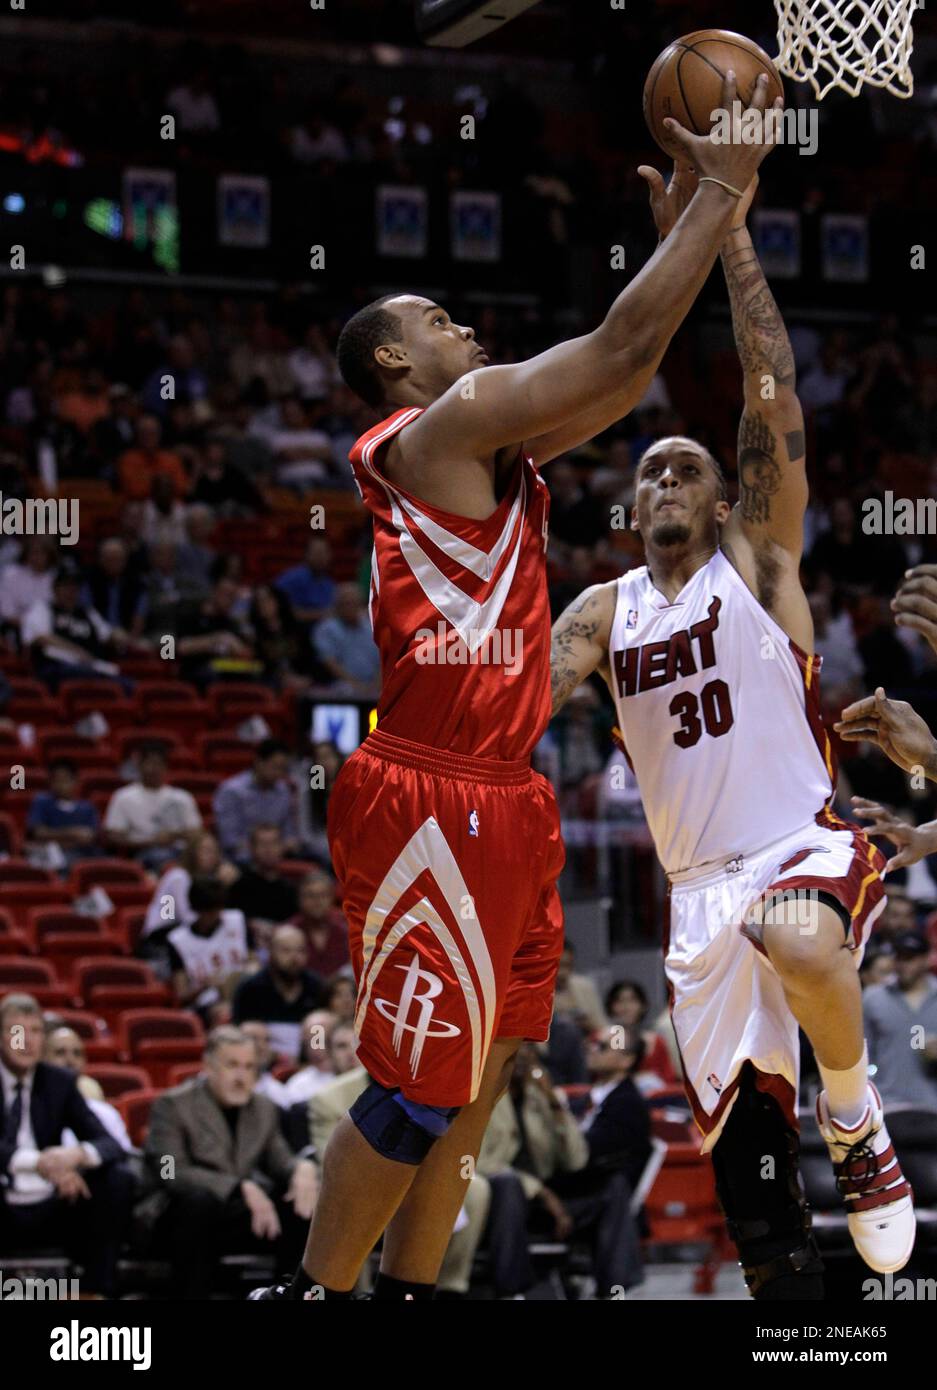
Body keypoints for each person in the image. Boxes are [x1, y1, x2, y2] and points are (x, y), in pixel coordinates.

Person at [251, 78, 779, 1303]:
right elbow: (620, 350)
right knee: (420, 1082)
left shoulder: (492, 443)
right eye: (436, 317)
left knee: (480, 1081)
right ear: (397, 360)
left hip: (505, 794)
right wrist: (723, 186)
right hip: (430, 792)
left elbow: (615, 381)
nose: (465, 327)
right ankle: (311, 1294)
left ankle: (414, 1292)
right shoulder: (441, 426)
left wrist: (694, 235)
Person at [549, 173, 913, 1294]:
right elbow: (515, 707)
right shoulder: (601, 612)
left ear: (721, 501)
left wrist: (730, 240)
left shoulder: (754, 565)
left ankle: (852, 1114)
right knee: (756, 1203)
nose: (664, 473)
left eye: (688, 467)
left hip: (795, 838)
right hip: (695, 891)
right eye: (650, 465)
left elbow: (773, 391)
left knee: (802, 939)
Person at [141, 1026, 317, 1299]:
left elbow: (280, 1158)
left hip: (238, 1214)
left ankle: (288, 1294)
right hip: (176, 1213)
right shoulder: (172, 1105)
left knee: (300, 1202)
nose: (241, 1076)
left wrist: (303, 1169)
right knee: (198, 1203)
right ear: (208, 1066)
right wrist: (239, 1187)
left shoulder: (263, 1108)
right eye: (232, 1065)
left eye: (249, 1067)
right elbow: (170, 1171)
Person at [0, 994, 134, 1297]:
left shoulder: (58, 1081)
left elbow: (110, 1144)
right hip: (5, 1195)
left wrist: (75, 1155)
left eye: (36, 1032)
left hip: (52, 1197)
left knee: (117, 1179)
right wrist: (37, 1162)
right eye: (17, 1032)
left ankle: (95, 1291)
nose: (28, 1042)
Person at [863, 930, 937, 1108]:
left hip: (933, 1104)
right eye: (900, 957)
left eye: (910, 958)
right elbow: (863, 1054)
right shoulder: (874, 998)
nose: (904, 964)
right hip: (887, 1104)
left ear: (927, 959)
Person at [104, 740, 202, 871]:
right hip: (143, 854)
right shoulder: (123, 796)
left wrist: (172, 836)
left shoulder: (182, 797)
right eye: (149, 763)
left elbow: (196, 833)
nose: (153, 769)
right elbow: (113, 836)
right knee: (160, 857)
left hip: (180, 852)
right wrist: (152, 841)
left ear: (166, 767)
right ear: (139, 765)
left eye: (158, 764)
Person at [232, 925, 325, 1059]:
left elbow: (325, 1031)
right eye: (286, 951)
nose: (294, 958)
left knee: (321, 1023)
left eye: (300, 951)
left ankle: (319, 1068)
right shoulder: (250, 988)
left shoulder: (316, 985)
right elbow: (239, 1031)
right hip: (263, 1057)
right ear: (271, 952)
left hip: (309, 1057)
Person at [167, 877, 252, 1021]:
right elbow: (181, 996)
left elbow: (253, 958)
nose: (214, 915)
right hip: (207, 1004)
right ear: (196, 910)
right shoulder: (178, 940)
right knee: (225, 1013)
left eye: (217, 909)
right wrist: (204, 985)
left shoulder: (237, 920)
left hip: (245, 993)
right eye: (207, 911)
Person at [44, 1026, 134, 1152]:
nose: (70, 1060)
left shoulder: (106, 1114)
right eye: (60, 1052)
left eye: (77, 1053)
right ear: (43, 1060)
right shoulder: (29, 1109)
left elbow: (124, 1156)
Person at [213, 739, 299, 861]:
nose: (279, 773)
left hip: (278, 856)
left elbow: (289, 834)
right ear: (259, 762)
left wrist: (286, 844)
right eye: (275, 767)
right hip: (240, 859)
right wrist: (262, 850)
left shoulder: (283, 790)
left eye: (283, 768)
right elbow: (230, 839)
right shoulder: (232, 791)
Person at [143, 829, 238, 938]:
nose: (211, 856)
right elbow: (187, 917)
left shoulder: (208, 880)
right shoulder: (178, 877)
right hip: (160, 934)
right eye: (206, 851)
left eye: (215, 851)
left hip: (181, 932)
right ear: (192, 853)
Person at [225, 824, 299, 948]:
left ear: (282, 847)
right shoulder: (238, 887)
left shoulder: (291, 889)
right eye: (263, 844)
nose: (268, 849)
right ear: (251, 848)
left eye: (274, 843)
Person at [26, 757, 100, 867]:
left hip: (84, 856)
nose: (61, 785)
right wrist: (74, 833)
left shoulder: (87, 807)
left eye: (65, 780)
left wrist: (58, 837)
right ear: (50, 782)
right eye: (56, 780)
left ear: (75, 781)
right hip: (54, 856)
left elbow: (90, 837)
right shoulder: (42, 802)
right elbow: (39, 833)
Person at [288, 870, 351, 977]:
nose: (317, 901)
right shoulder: (289, 932)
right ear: (300, 899)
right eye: (310, 895)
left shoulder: (347, 928)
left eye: (323, 895)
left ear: (332, 898)